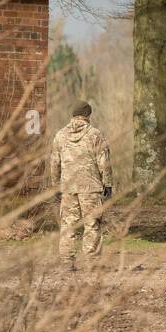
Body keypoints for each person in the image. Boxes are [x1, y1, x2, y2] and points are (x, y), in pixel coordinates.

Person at [50, 102, 112, 268]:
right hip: (90, 187)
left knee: (67, 225)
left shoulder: (60, 135)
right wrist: (108, 184)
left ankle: (66, 262)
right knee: (92, 224)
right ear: (88, 115)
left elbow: (54, 163)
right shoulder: (95, 135)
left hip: (68, 187)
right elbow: (104, 162)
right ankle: (92, 262)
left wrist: (56, 186)